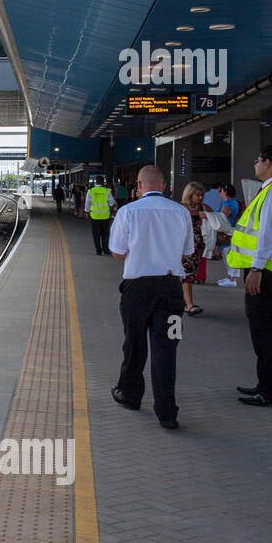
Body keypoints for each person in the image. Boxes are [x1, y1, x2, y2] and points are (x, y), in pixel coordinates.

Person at [108, 164, 193, 430]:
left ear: (139, 187)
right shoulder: (182, 212)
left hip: (136, 291)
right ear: (165, 186)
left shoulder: (127, 212)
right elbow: (186, 252)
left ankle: (131, 395)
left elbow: (117, 253)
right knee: (168, 348)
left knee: (134, 344)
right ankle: (167, 412)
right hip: (171, 291)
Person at [226, 145, 272, 408]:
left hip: (267, 273)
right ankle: (267, 384)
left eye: (258, 160)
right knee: (266, 332)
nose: (255, 165)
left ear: (268, 163)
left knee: (266, 333)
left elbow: (268, 235)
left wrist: (256, 270)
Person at [179, 182, 211, 315]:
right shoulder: (181, 209)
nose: (200, 197)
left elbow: (216, 221)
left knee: (190, 276)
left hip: (199, 247)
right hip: (184, 246)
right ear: (189, 194)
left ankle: (185, 302)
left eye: (202, 194)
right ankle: (189, 305)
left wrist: (208, 216)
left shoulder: (203, 207)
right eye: (197, 194)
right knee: (187, 275)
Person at [86, 176, 115, 255]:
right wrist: (112, 213)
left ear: (96, 182)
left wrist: (87, 213)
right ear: (103, 182)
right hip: (105, 216)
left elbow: (87, 204)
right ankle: (106, 250)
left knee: (96, 234)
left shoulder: (90, 191)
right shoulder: (107, 191)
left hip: (94, 216)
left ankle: (98, 251)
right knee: (105, 234)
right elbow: (112, 204)